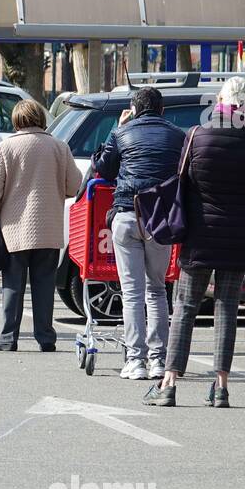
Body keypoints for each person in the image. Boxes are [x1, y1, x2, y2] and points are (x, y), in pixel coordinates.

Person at [144, 77, 245, 408]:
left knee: (185, 306)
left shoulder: (196, 135)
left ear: (220, 100)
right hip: (237, 234)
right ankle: (221, 386)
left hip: (199, 234)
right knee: (227, 308)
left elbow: (183, 179)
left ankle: (168, 383)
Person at [92, 86, 185, 380]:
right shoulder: (177, 135)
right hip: (160, 219)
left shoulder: (122, 133)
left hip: (127, 214)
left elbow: (103, 170)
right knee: (157, 290)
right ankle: (159, 360)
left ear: (134, 109)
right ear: (161, 110)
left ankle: (136, 361)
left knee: (132, 294)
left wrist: (116, 129)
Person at [0, 98, 82, 351]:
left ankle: (8, 337)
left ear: (17, 120)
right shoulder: (59, 147)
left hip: (14, 227)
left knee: (13, 285)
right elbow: (74, 184)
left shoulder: (6, 148)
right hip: (48, 227)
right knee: (44, 285)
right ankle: (46, 337)